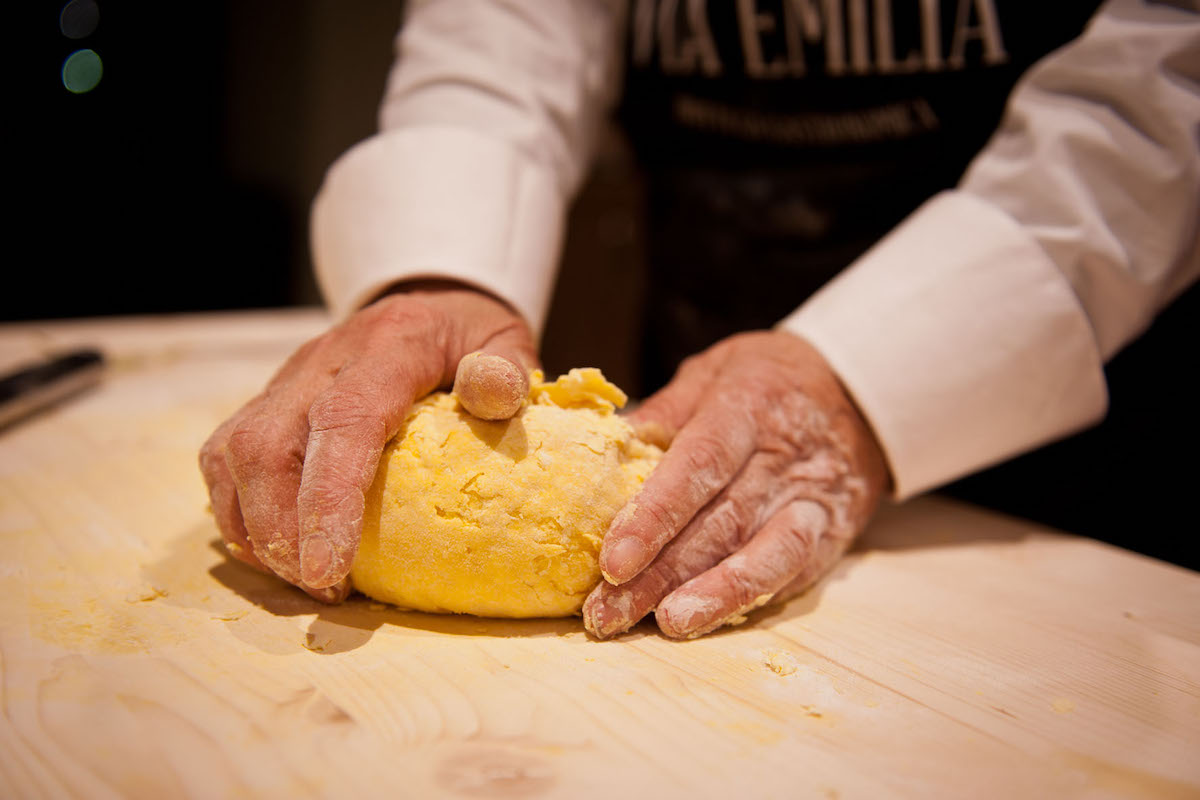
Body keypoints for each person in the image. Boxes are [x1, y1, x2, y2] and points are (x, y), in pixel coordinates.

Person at [199, 0, 1200, 638]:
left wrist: (870, 371)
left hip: (1060, 425)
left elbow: (1164, 92)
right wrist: (440, 264)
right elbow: (503, 29)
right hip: (697, 425)